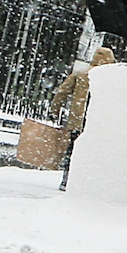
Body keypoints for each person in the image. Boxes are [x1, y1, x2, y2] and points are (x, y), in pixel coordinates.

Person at [48, 46, 114, 187]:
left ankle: (66, 178)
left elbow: (62, 92)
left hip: (78, 119)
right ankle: (85, 181)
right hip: (97, 121)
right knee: (92, 151)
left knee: (73, 148)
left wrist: (55, 110)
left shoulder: (81, 73)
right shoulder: (110, 78)